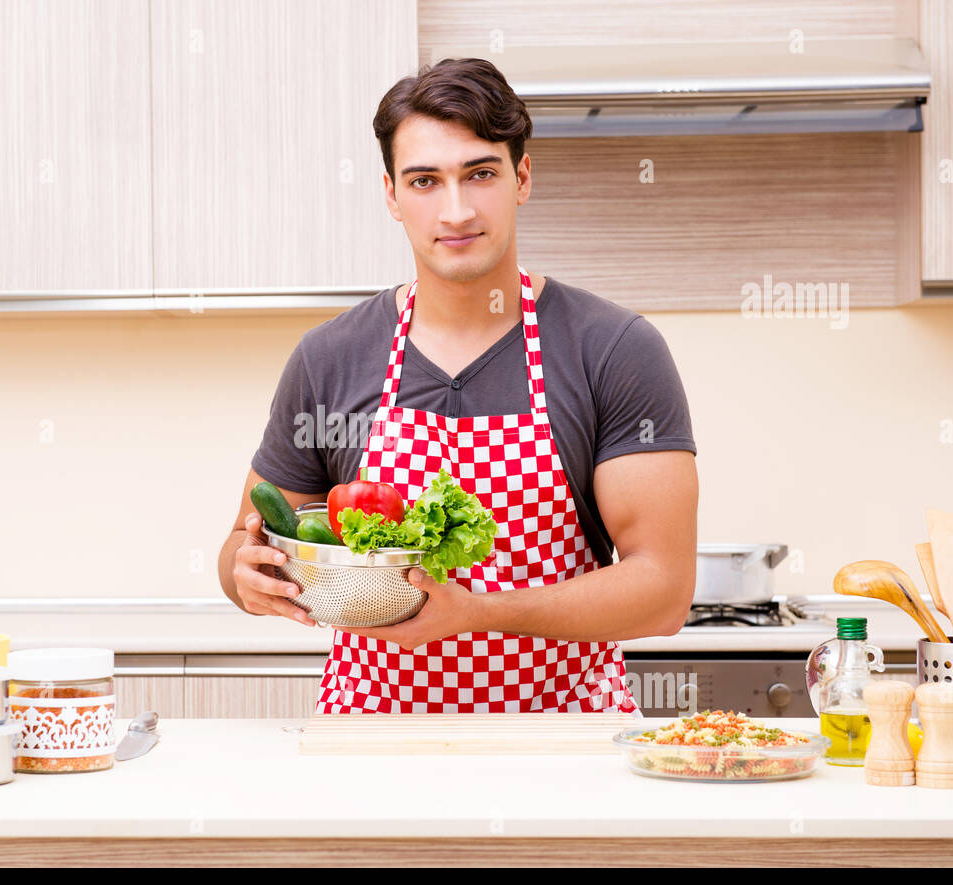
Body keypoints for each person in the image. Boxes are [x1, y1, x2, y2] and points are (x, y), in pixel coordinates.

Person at [218, 58, 698, 714]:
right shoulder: (331, 357)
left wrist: (476, 613)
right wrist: (244, 577)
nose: (456, 209)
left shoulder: (612, 349)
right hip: (374, 745)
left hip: (563, 753)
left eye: (480, 173)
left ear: (521, 177)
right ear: (391, 194)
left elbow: (664, 591)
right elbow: (240, 546)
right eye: (424, 181)